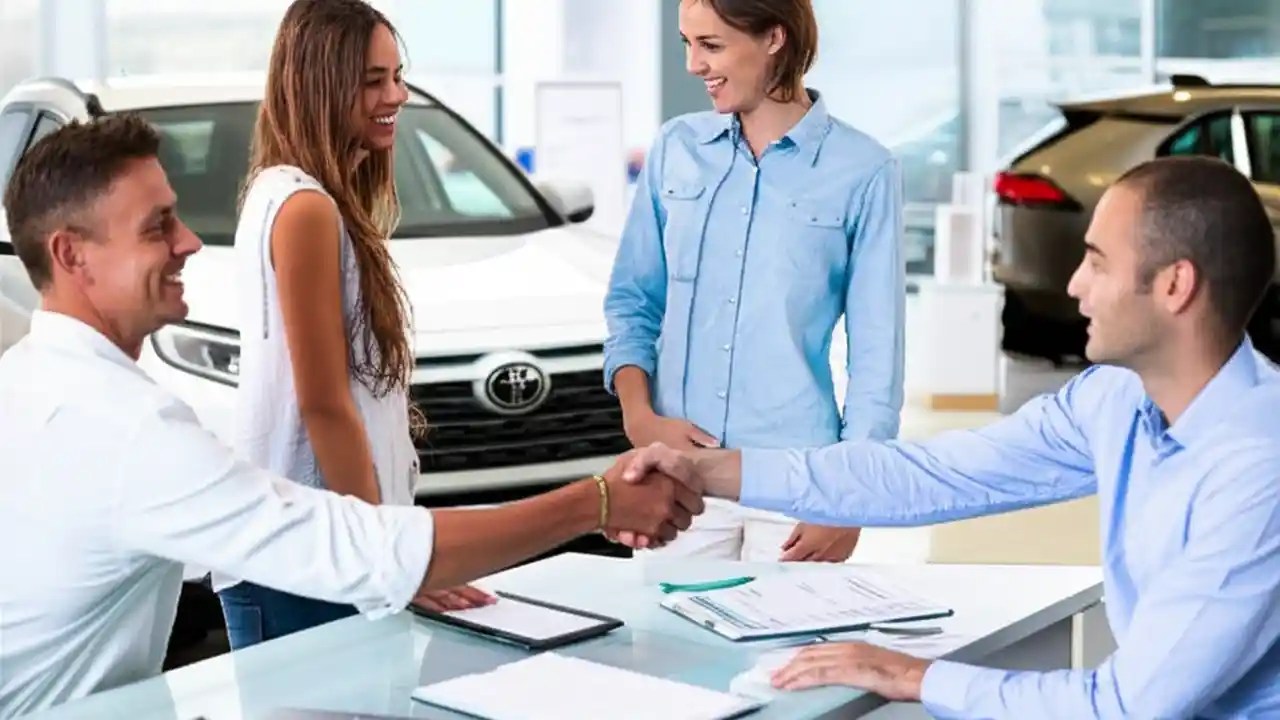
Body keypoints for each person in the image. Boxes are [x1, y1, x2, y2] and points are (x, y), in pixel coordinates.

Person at [0, 115, 700, 718]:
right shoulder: (126, 427)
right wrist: (598, 502)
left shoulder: (28, 379)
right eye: (158, 227)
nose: (188, 242)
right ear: (71, 255)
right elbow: (349, 545)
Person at [617, 156, 1280, 717]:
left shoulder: (1258, 465)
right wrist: (714, 472)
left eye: (1097, 263)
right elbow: (933, 473)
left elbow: (1128, 706)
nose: (1075, 286)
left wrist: (911, 675)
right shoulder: (1116, 398)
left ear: (1174, 285)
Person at [603, 0, 904, 563]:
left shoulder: (864, 170)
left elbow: (876, 355)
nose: (694, 64)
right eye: (687, 43)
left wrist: (849, 497)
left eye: (711, 45)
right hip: (679, 474)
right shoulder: (676, 149)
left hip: (799, 480)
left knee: (788, 650)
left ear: (773, 38)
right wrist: (639, 416)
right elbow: (633, 301)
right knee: (669, 648)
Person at [218, 0, 479, 650]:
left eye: (397, 75)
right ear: (319, 84)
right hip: (306, 561)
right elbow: (324, 405)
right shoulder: (304, 207)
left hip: (325, 550)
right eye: (373, 80)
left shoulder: (305, 198)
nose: (397, 95)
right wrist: (388, 559)